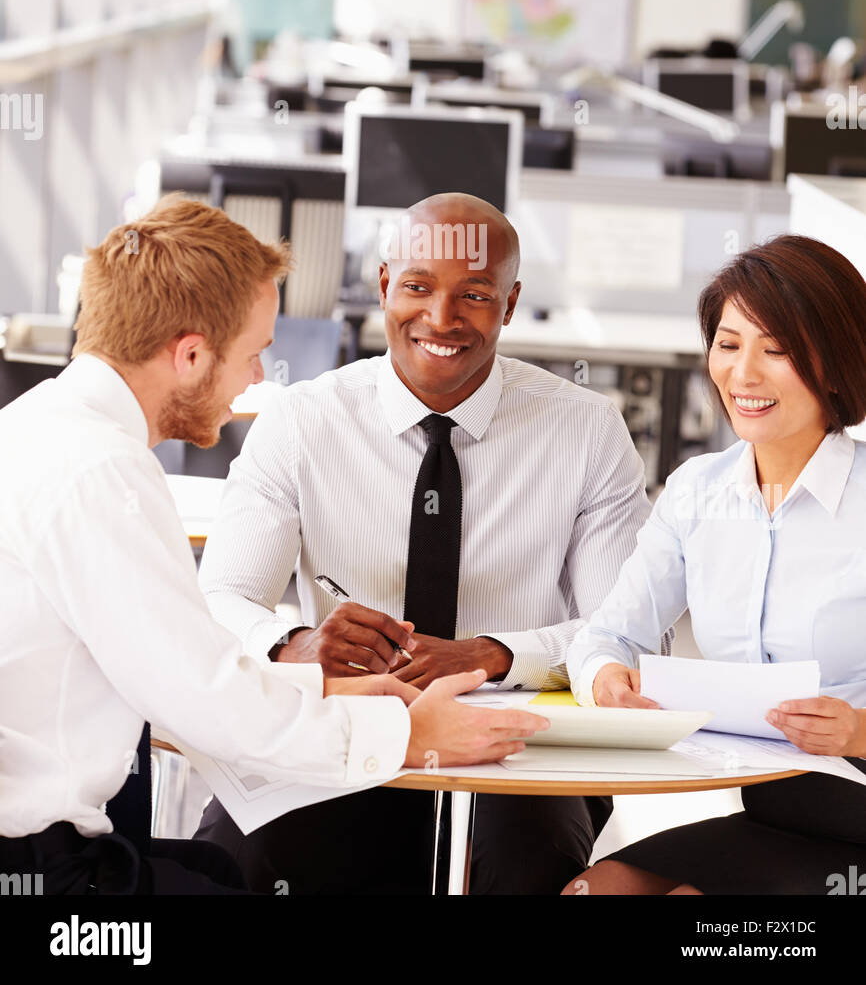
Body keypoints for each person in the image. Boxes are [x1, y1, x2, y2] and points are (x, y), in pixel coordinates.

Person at [0, 196, 547, 896]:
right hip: (38, 873)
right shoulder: (102, 473)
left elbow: (173, 669)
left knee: (218, 869)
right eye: (253, 354)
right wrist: (405, 736)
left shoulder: (39, 426)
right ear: (191, 355)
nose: (259, 379)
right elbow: (202, 698)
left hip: (45, 852)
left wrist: (326, 688)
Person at [196, 190, 655, 894]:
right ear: (385, 285)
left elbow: (621, 632)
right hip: (347, 720)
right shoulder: (302, 422)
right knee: (238, 861)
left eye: (473, 295)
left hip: (518, 735)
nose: (440, 319)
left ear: (508, 303)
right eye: (417, 287)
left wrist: (498, 654)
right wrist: (295, 645)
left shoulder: (587, 432)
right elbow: (222, 596)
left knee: (525, 872)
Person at [563, 233, 866, 897]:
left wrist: (861, 728)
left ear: (838, 364)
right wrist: (605, 678)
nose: (744, 375)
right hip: (776, 818)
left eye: (776, 350)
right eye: (728, 345)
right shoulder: (697, 490)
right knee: (594, 892)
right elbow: (606, 633)